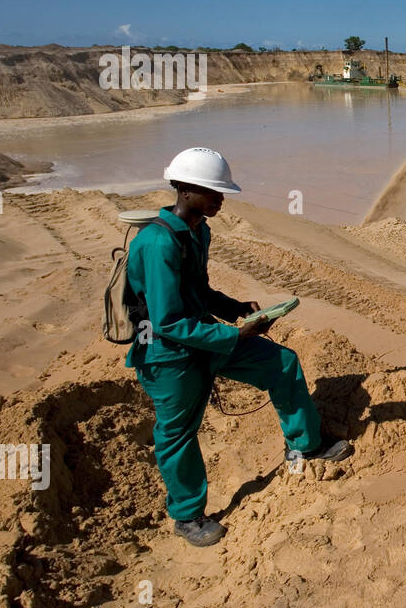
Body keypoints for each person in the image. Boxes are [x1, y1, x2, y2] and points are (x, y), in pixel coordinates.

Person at [125, 147, 352, 547]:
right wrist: (233, 335)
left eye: (221, 191)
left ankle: (305, 446)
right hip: (169, 355)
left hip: (205, 339)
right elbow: (168, 322)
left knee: (281, 363)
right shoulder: (157, 244)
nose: (220, 199)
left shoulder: (197, 231)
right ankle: (188, 515)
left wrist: (235, 310)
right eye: (213, 191)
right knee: (178, 434)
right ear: (183, 189)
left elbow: (198, 291)